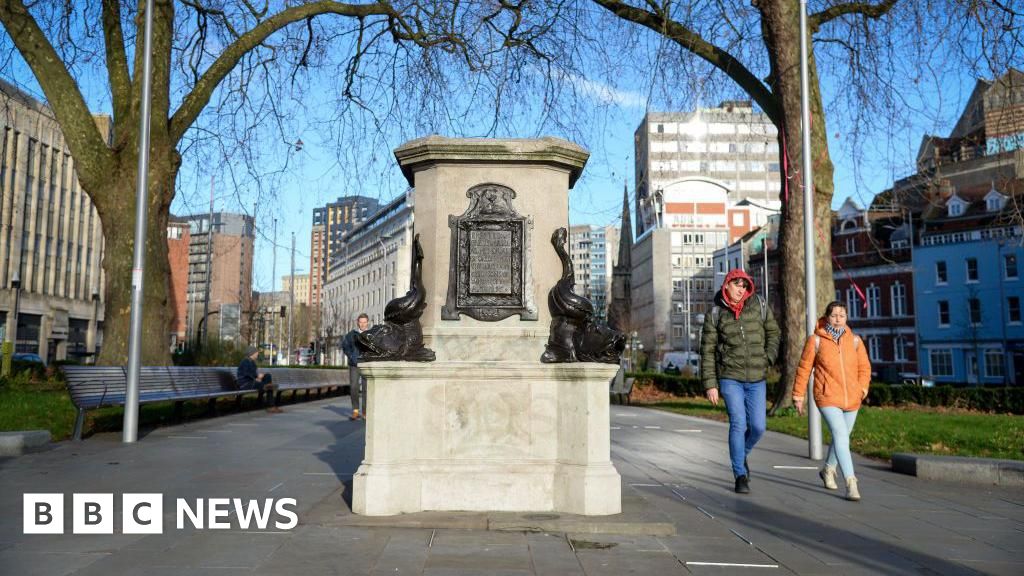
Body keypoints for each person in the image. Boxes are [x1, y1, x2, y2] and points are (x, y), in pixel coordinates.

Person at [700, 269, 780, 494]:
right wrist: (710, 384)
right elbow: (707, 351)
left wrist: (768, 358)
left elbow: (774, 333)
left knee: (758, 427)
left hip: (757, 377)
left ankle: (740, 454)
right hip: (730, 377)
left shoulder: (759, 306)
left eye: (744, 286)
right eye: (736, 285)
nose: (741, 290)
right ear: (726, 286)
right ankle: (740, 475)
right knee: (738, 423)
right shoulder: (716, 314)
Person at [792, 301, 871, 501]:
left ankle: (828, 469)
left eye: (842, 315)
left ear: (846, 318)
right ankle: (851, 482)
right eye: (834, 315)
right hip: (827, 396)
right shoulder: (816, 341)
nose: (838, 319)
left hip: (852, 398)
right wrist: (798, 395)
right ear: (827, 317)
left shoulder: (855, 341)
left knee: (842, 438)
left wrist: (862, 389)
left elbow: (865, 368)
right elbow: (804, 368)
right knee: (841, 435)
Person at [342, 313, 370, 420]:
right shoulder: (351, 335)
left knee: (367, 389)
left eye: (364, 322)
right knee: (354, 386)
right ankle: (355, 410)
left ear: (367, 322)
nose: (362, 324)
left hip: (367, 365)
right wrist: (351, 356)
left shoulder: (371, 334)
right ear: (358, 322)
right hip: (354, 364)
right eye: (361, 322)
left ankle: (365, 412)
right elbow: (345, 346)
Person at [237, 346, 281, 413]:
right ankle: (270, 406)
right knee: (268, 387)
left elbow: (253, 374)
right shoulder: (245, 362)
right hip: (246, 384)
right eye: (256, 352)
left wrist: (258, 377)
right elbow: (246, 374)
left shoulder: (252, 362)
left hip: (252, 382)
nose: (258, 353)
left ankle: (266, 390)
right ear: (252, 353)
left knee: (267, 376)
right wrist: (257, 378)